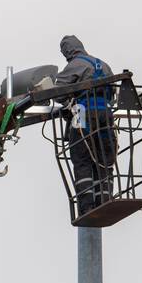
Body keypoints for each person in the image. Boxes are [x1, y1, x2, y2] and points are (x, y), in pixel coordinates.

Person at [54, 35, 117, 218]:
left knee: (81, 157)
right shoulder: (104, 64)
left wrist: (68, 104)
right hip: (106, 114)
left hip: (81, 112)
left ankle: (87, 206)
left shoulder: (74, 65)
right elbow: (112, 93)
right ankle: (105, 200)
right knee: (104, 158)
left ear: (67, 51)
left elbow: (59, 93)